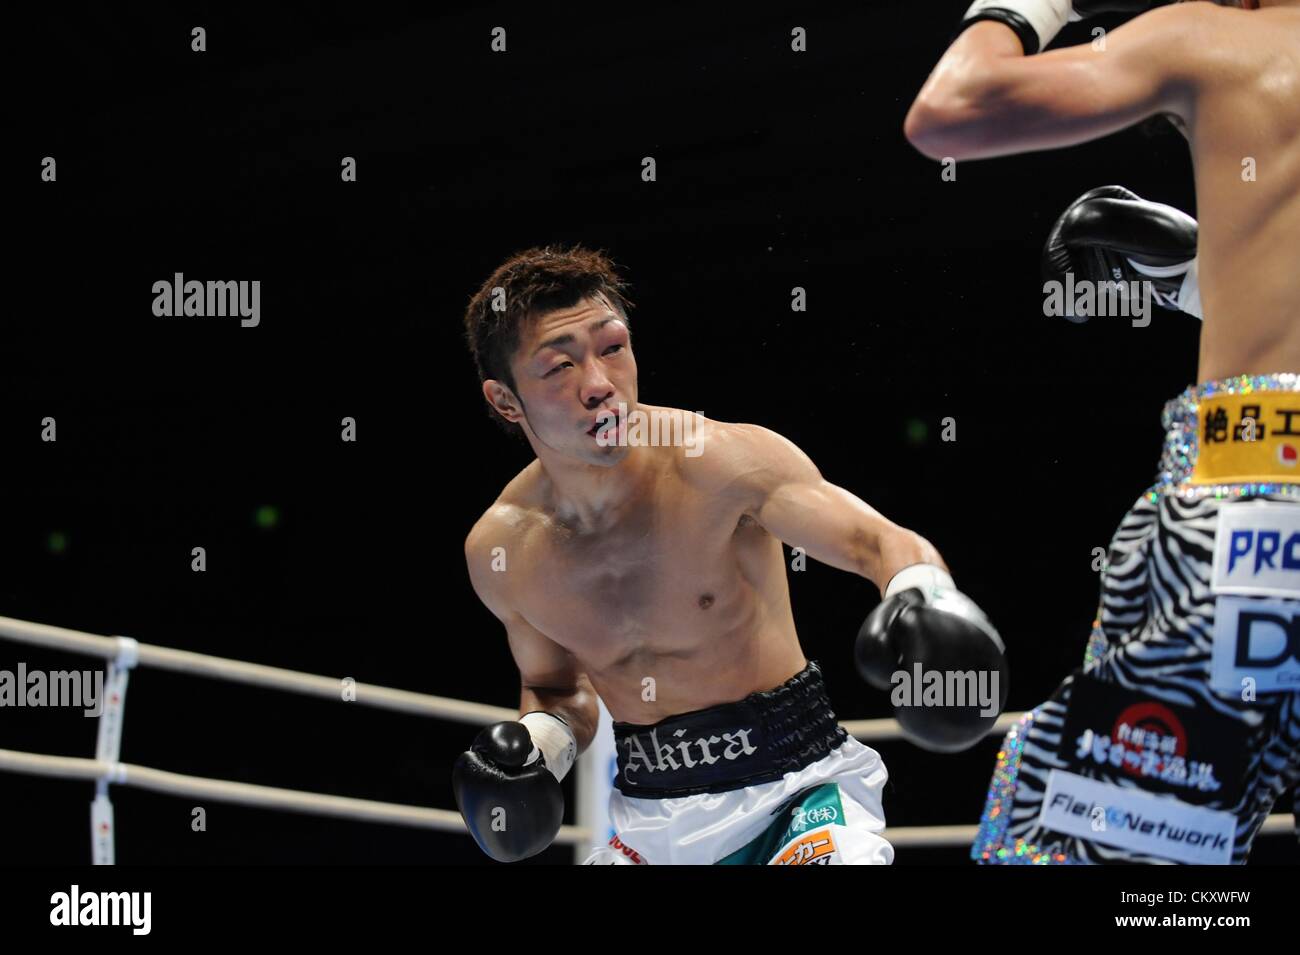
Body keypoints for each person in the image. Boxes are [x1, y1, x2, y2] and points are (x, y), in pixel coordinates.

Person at [451, 245, 1008, 864]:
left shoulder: (716, 461)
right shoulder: (503, 548)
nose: (600, 385)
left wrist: (924, 597)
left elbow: (875, 541)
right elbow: (555, 688)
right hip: (647, 824)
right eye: (559, 367)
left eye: (612, 347)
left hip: (797, 794)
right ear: (505, 401)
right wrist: (538, 747)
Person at [905, 0, 1300, 862]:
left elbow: (949, 111)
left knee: (1113, 857)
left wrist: (1032, 5)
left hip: (1259, 502)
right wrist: (1197, 276)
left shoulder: (1219, 35)